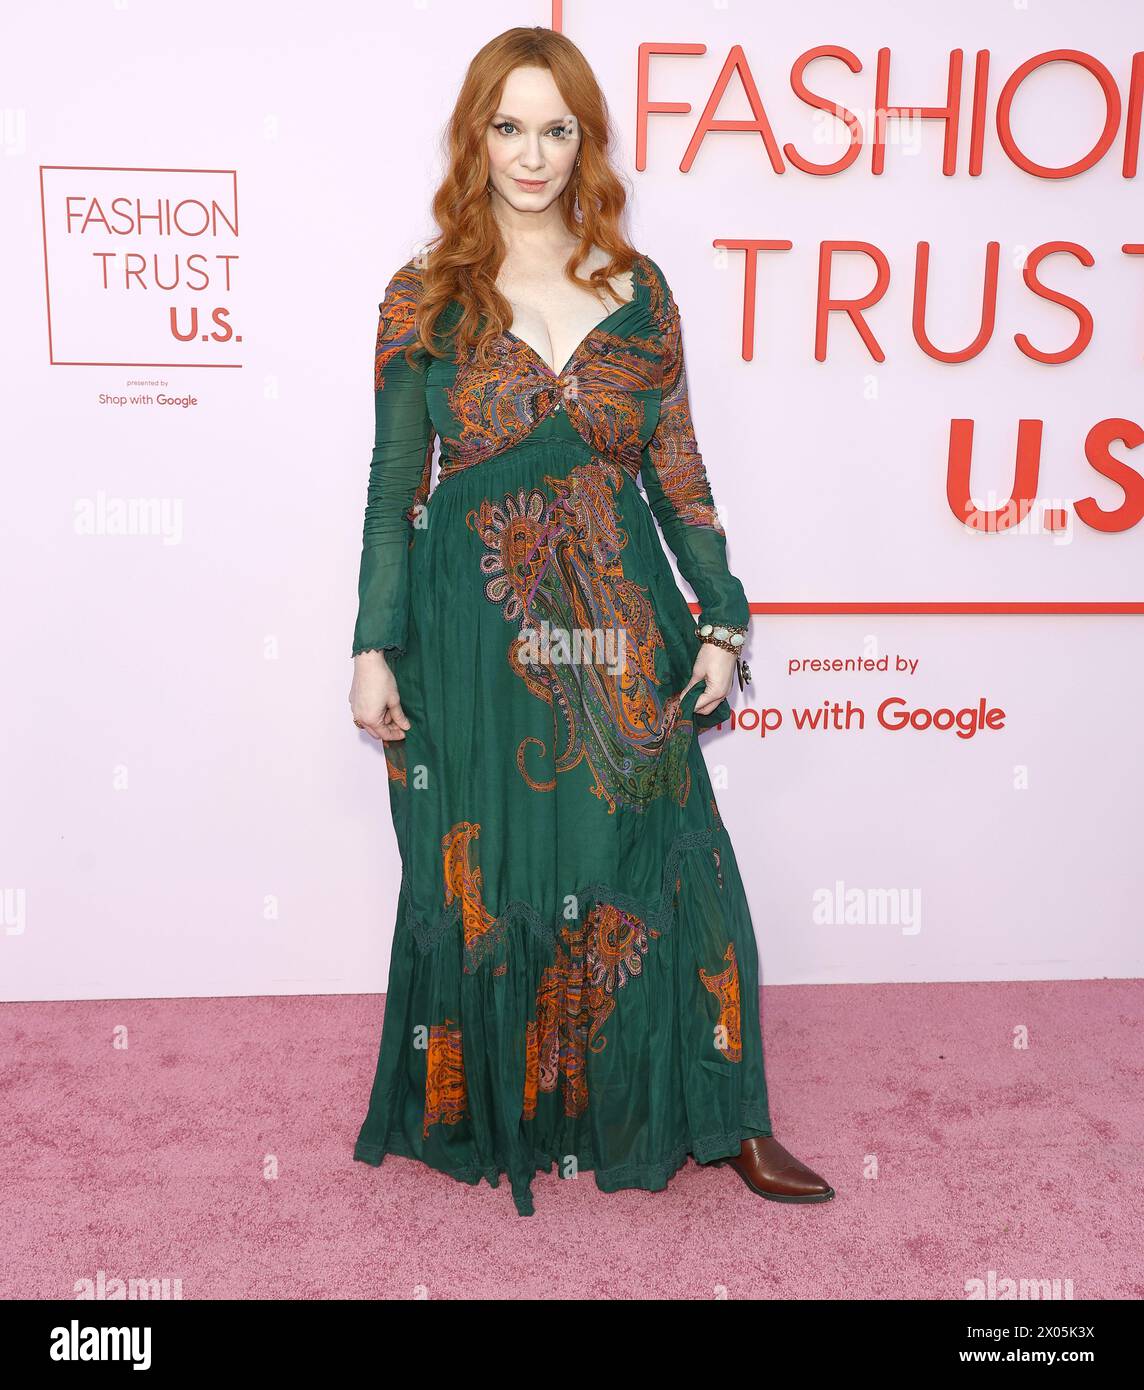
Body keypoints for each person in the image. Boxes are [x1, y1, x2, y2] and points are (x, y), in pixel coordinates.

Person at [348, 25, 833, 1217]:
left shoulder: (637, 284)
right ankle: (518, 1116)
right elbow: (394, 486)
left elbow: (680, 471)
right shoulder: (422, 295)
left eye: (555, 128)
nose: (531, 153)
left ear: (586, 141)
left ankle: (725, 1118)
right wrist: (371, 642)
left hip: (620, 627)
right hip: (476, 632)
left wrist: (721, 621)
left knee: (671, 867)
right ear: (475, 136)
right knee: (501, 873)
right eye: (507, 127)